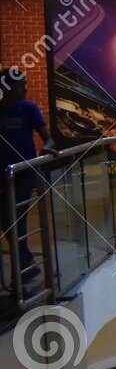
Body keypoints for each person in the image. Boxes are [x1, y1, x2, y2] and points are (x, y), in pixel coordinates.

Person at [0, 69, 52, 286]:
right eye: (21, 84)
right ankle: (27, 264)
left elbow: (48, 138)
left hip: (25, 174)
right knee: (8, 222)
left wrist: (47, 148)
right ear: (8, 87)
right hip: (4, 176)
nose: (25, 88)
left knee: (16, 221)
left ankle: (21, 273)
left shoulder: (29, 109)